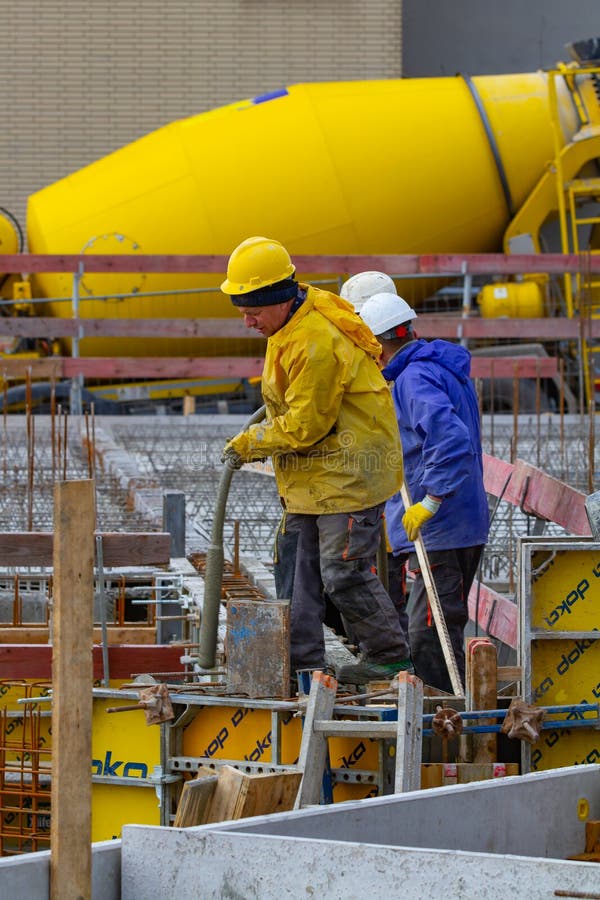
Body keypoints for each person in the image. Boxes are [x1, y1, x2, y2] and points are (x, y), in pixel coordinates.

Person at [220, 237, 412, 685]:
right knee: (297, 568)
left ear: (278, 298)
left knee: (341, 571)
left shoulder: (315, 339)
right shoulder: (287, 322)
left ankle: (389, 656)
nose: (247, 321)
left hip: (348, 472)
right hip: (314, 474)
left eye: (253, 310)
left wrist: (251, 443)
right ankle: (304, 661)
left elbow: (306, 425)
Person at [359, 291, 489, 694]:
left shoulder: (414, 378)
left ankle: (442, 722)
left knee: (430, 634)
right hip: (457, 523)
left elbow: (449, 439)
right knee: (435, 627)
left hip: (441, 529)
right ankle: (444, 707)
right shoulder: (435, 369)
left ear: (377, 343)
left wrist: (429, 502)